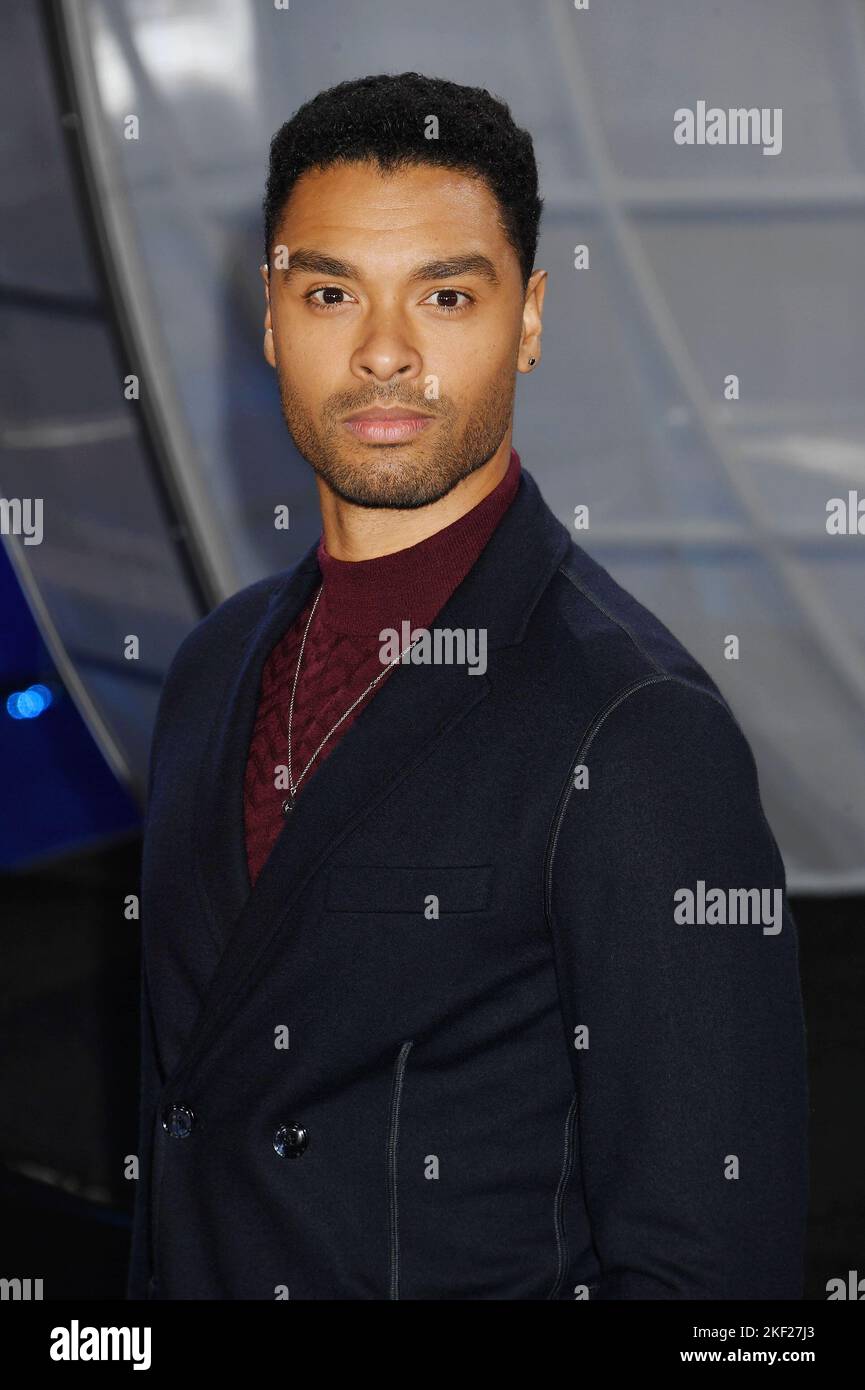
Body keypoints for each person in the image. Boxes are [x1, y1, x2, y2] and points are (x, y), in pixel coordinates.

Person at [128, 72, 808, 1300]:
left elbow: (715, 1277)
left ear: (529, 320)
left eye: (445, 295)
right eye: (331, 292)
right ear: (271, 319)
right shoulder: (210, 669)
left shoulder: (636, 730)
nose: (385, 351)